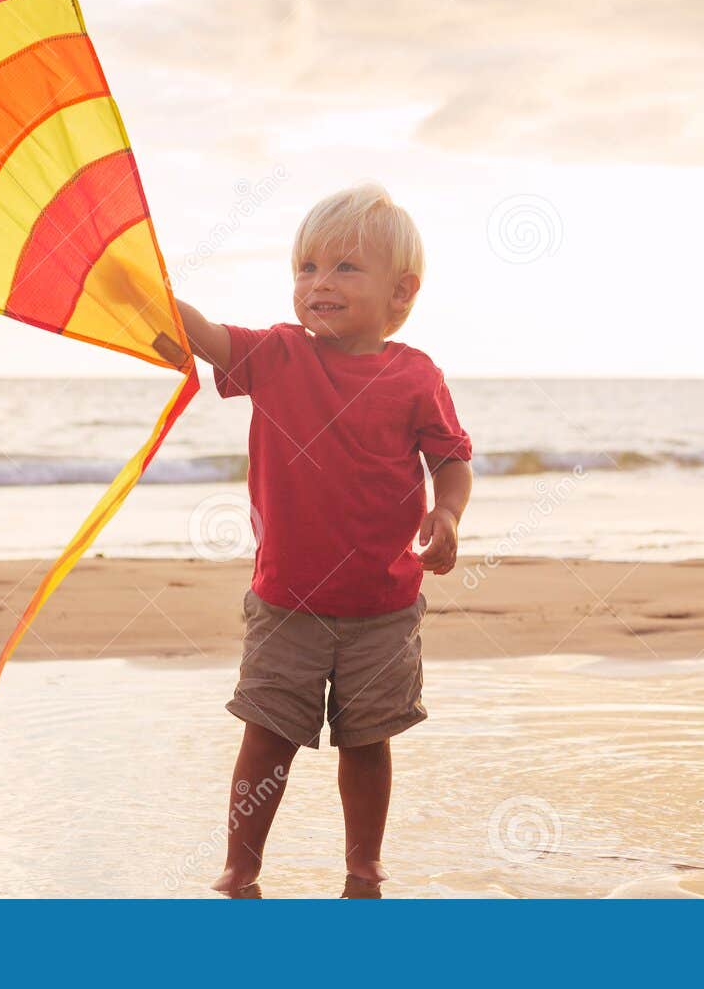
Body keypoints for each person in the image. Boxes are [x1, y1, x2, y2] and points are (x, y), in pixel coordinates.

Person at [175, 182, 474, 898]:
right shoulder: (277, 356)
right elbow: (202, 333)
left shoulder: (415, 375)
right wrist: (147, 286)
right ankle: (240, 866)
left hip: (383, 603)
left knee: (367, 742)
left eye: (344, 267)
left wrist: (449, 513)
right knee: (268, 735)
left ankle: (362, 866)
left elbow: (450, 458)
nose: (318, 283)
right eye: (307, 267)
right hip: (286, 602)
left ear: (401, 291)